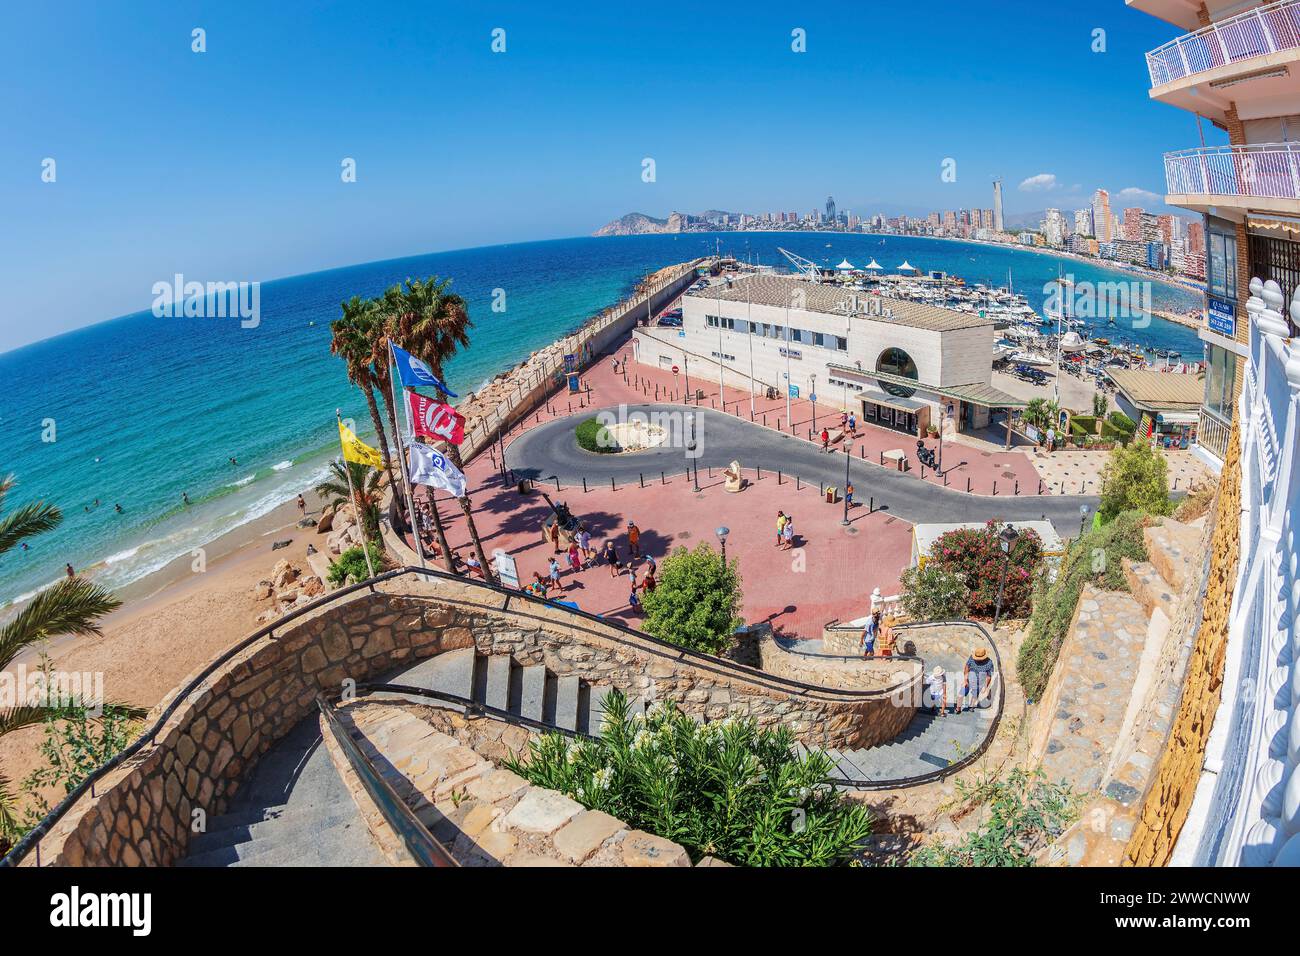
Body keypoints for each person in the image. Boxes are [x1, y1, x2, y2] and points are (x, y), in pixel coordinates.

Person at [959, 646, 997, 712]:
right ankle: (958, 708)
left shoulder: (989, 663)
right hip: (969, 679)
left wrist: (985, 686)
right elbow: (967, 667)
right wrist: (965, 679)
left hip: (980, 682)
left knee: (975, 694)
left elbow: (989, 676)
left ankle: (971, 706)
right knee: (961, 694)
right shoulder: (972, 658)